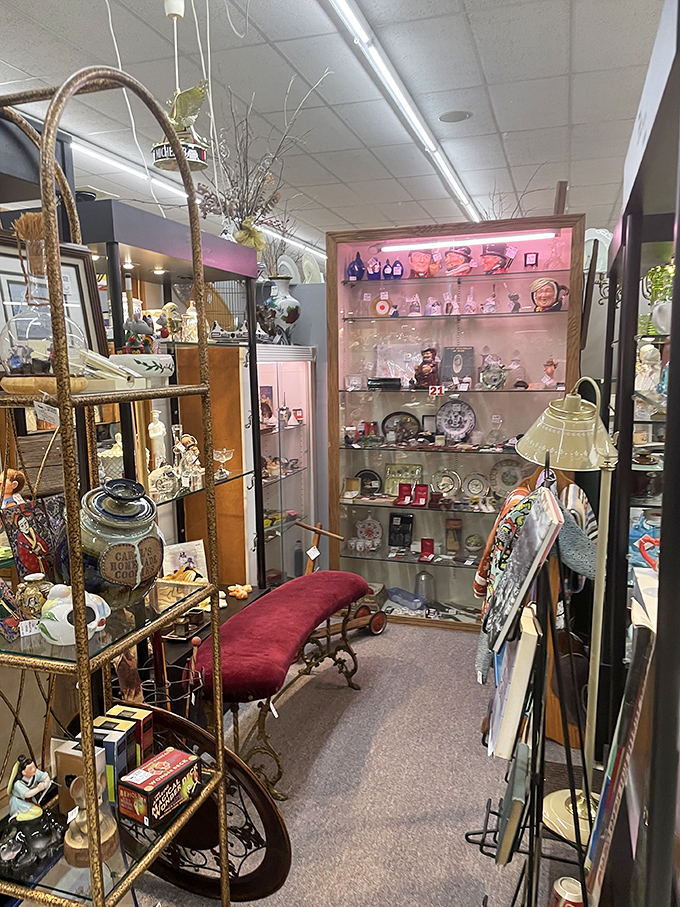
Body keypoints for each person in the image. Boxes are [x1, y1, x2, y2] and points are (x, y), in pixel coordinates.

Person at [8, 755, 51, 820]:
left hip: (30, 800)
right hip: (19, 802)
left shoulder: (34, 773)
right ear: (24, 772)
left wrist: (47, 782)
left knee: (38, 811)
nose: (34, 769)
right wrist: (38, 788)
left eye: (34, 766)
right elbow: (27, 794)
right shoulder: (18, 784)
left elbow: (45, 776)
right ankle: (17, 817)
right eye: (30, 768)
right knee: (38, 812)